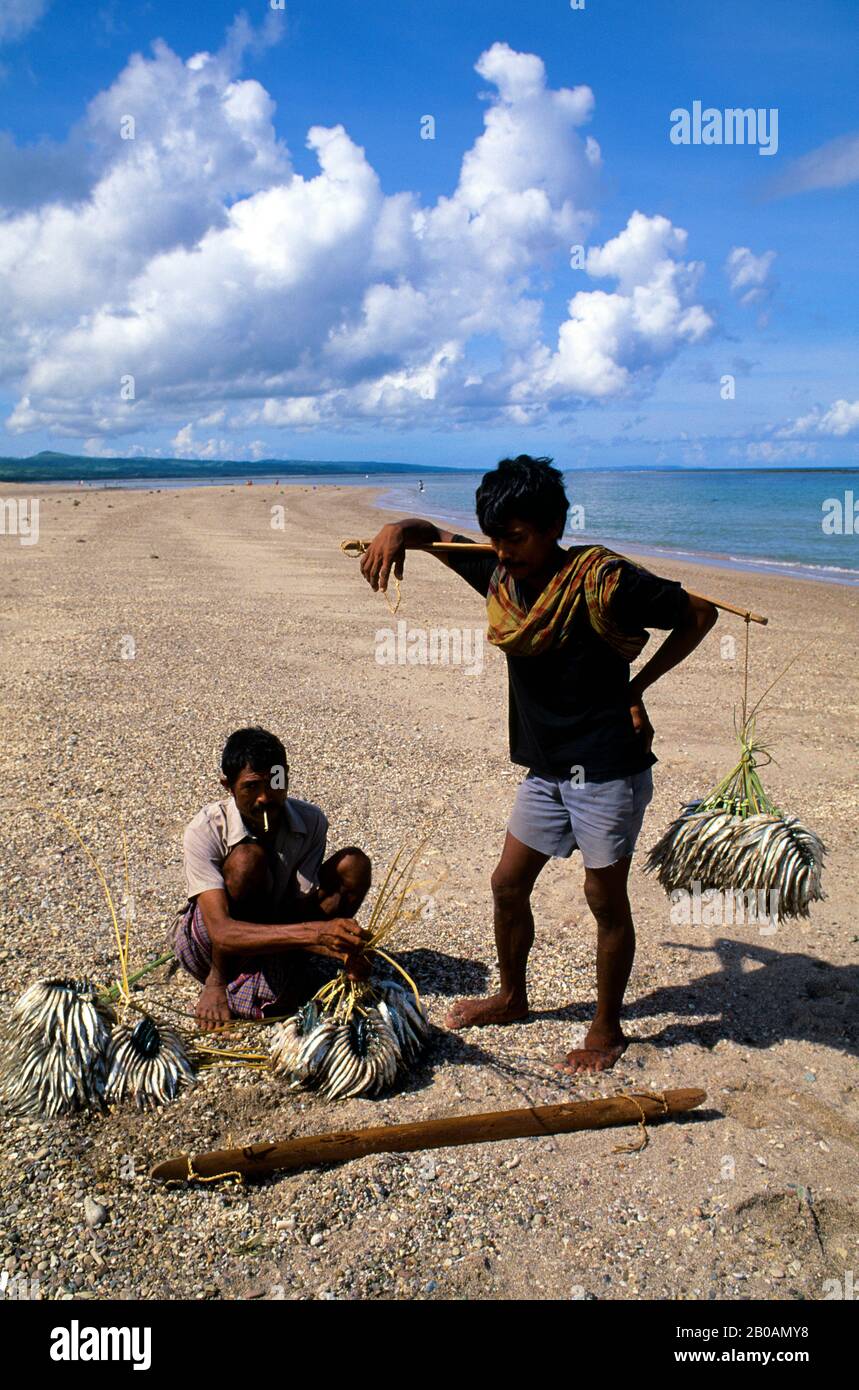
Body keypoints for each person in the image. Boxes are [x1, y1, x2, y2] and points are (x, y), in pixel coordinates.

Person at [358, 455, 717, 1073]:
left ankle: (607, 1028)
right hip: (547, 771)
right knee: (506, 884)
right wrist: (396, 529)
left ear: (555, 526)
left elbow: (698, 615)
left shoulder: (607, 582)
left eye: (517, 538)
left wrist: (637, 689)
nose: (502, 551)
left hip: (606, 767)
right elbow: (432, 539)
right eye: (496, 537)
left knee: (604, 901)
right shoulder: (500, 573)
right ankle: (513, 996)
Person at [173, 726, 372, 1031]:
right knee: (247, 860)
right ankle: (225, 979)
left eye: (275, 782)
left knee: (353, 865)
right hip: (216, 946)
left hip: (275, 925)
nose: (266, 797)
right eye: (251, 787)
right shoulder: (206, 829)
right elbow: (222, 931)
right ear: (228, 786)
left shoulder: (311, 822)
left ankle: (282, 965)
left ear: (286, 776)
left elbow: (297, 905)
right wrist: (215, 986)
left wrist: (338, 948)